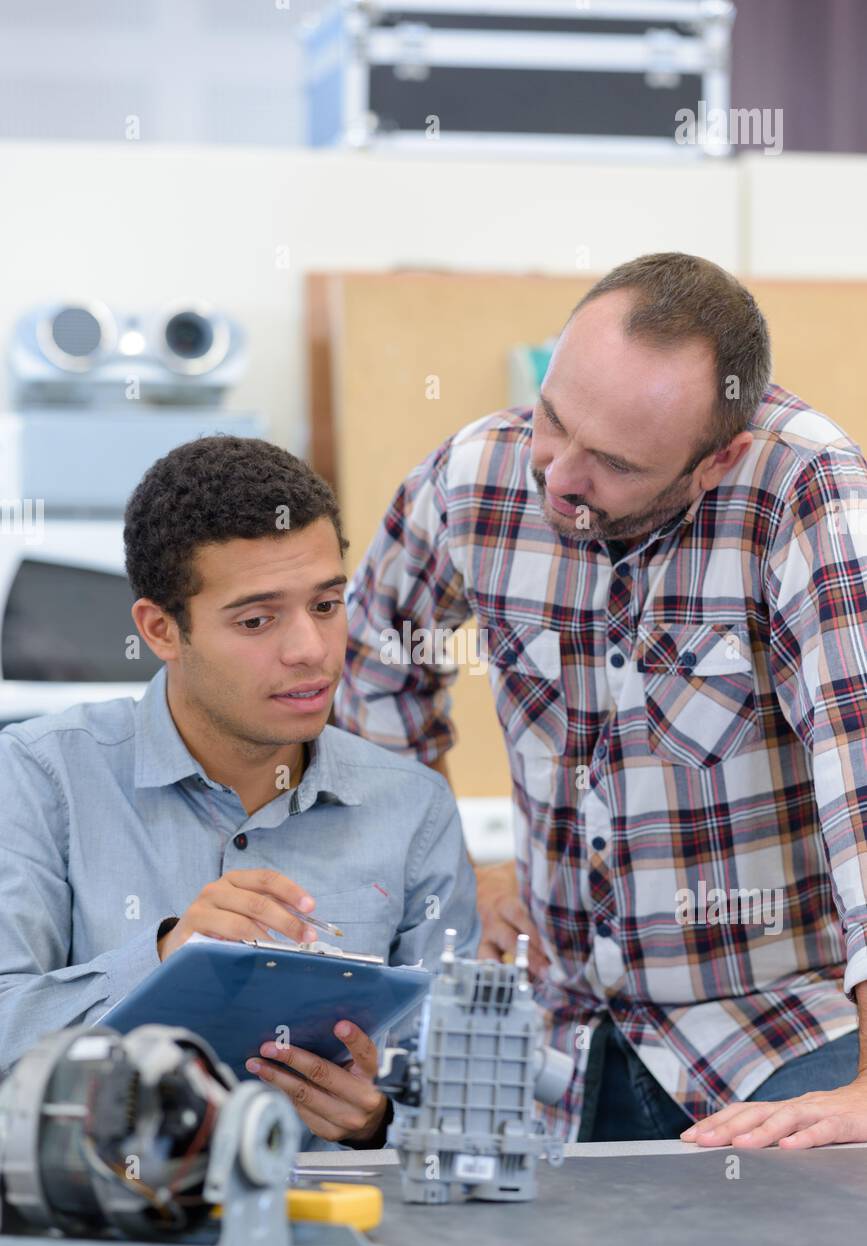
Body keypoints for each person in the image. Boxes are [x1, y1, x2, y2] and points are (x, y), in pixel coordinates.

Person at [335, 251, 867, 1148]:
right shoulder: (474, 476)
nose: (558, 475)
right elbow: (373, 670)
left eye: (614, 464)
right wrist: (453, 876)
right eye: (552, 418)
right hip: (558, 1036)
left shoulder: (804, 495)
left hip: (768, 1025)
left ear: (717, 457)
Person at [0, 436, 479, 1149]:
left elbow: (466, 1088)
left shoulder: (412, 808)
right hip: (99, 1231)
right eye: (257, 620)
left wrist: (381, 1120)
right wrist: (161, 959)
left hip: (344, 1239)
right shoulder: (37, 777)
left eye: (325, 604)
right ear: (160, 629)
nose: (309, 650)